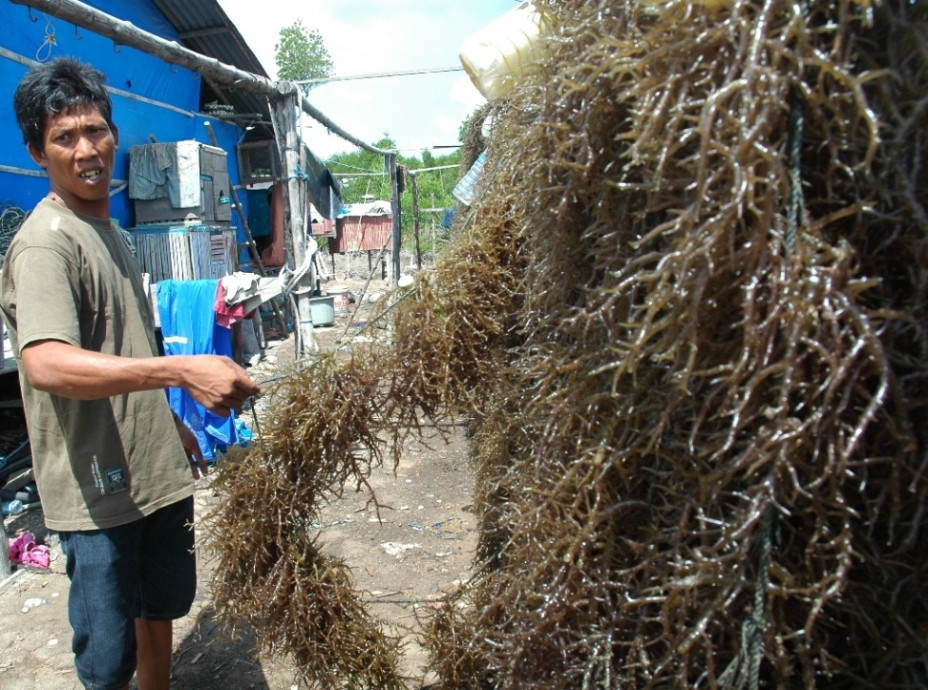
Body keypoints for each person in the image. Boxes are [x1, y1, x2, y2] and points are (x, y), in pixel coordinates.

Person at [0, 57, 260, 690]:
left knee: (161, 603)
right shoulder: (45, 244)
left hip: (155, 470)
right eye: (65, 137)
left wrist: (172, 420)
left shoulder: (109, 231)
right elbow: (46, 361)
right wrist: (181, 369)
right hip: (97, 491)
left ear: (114, 135)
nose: (87, 150)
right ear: (38, 152)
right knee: (107, 651)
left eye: (96, 131)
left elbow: (126, 340)